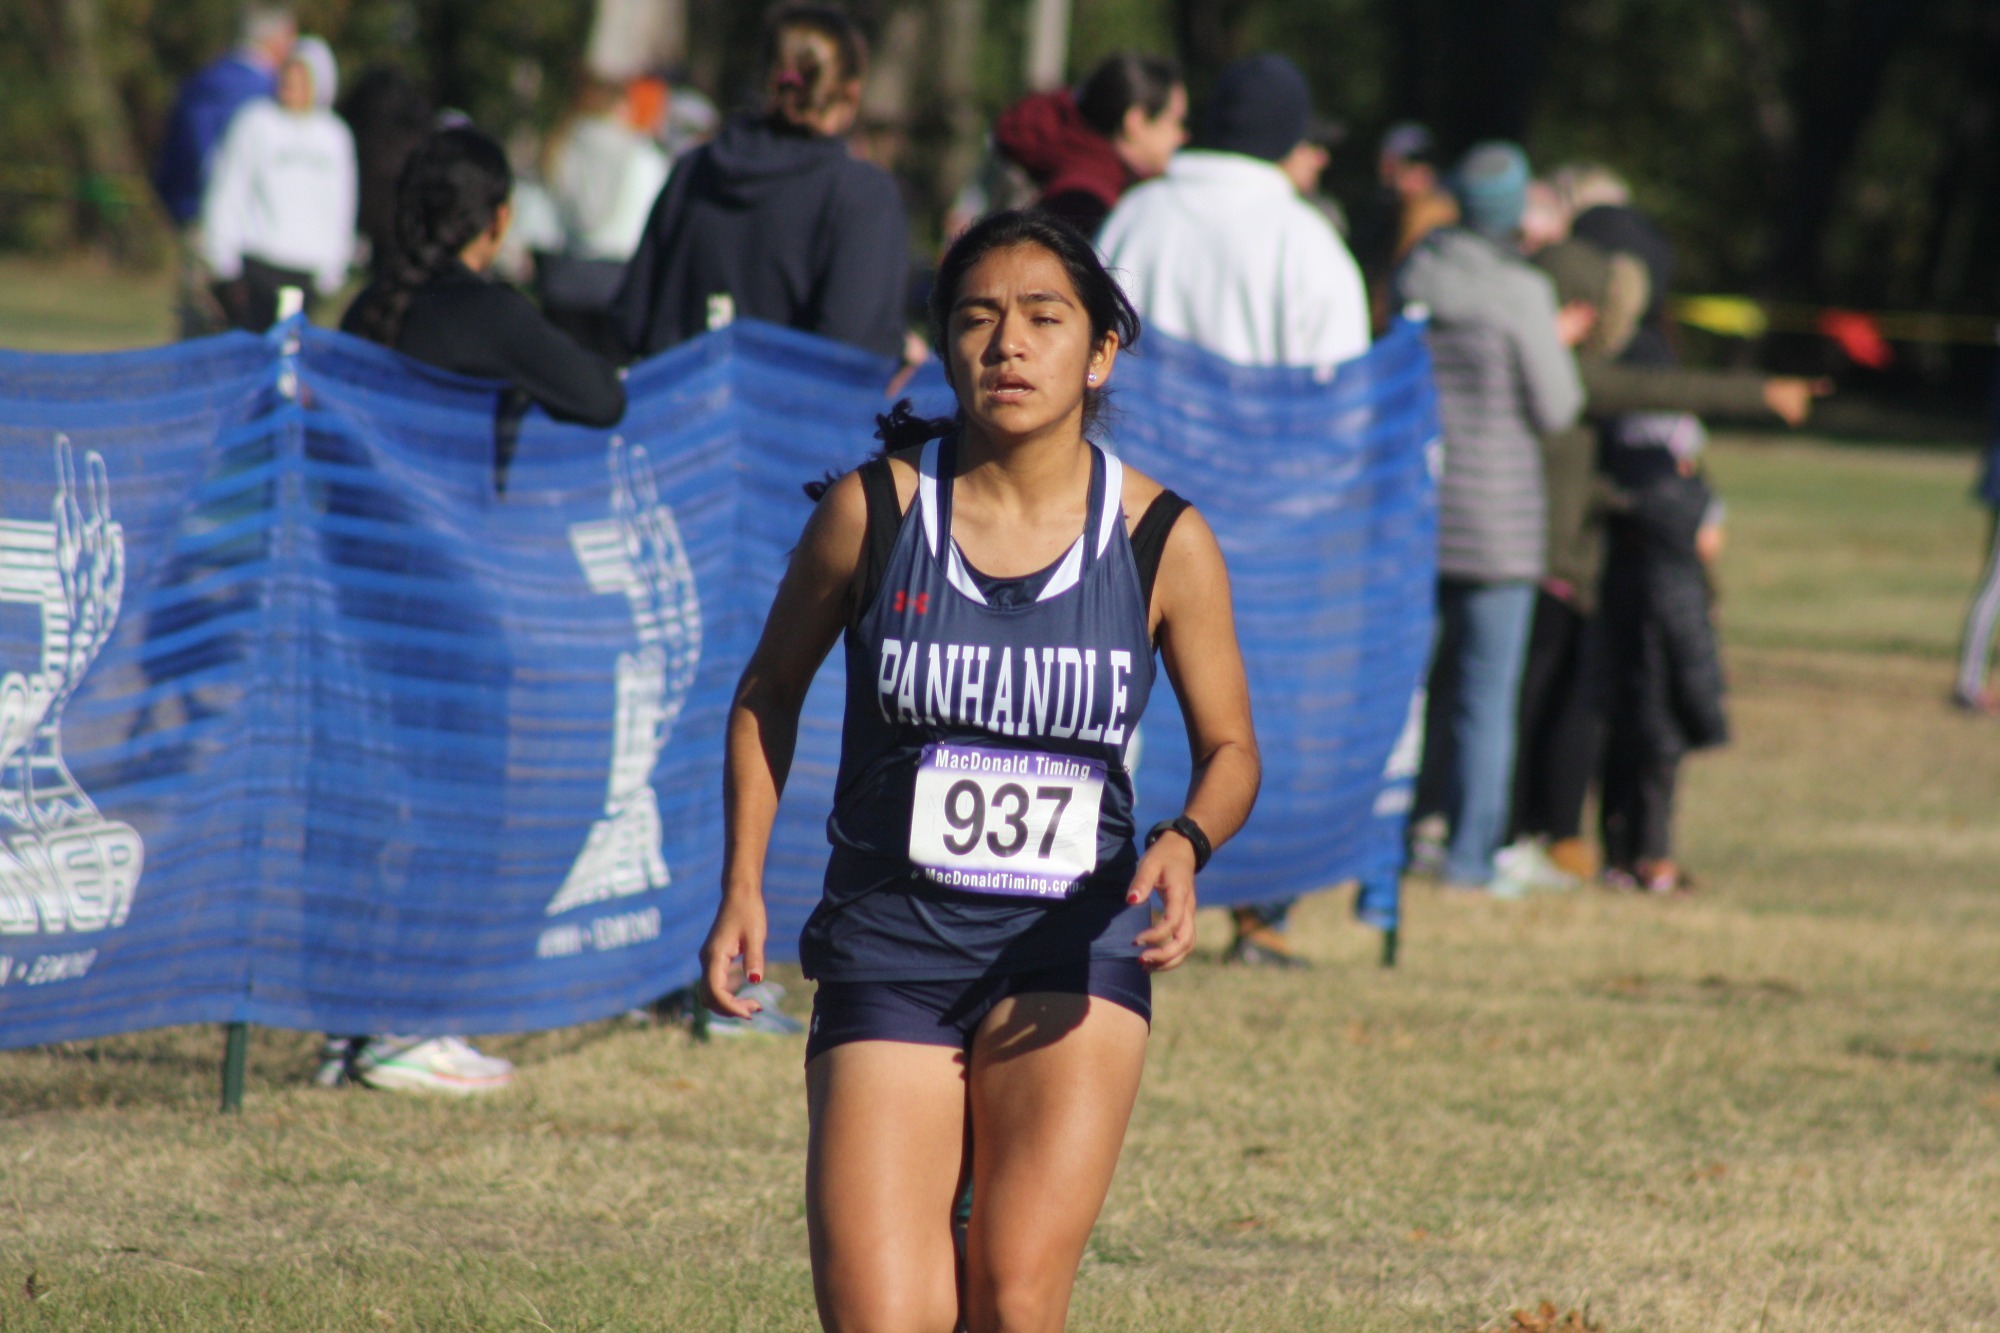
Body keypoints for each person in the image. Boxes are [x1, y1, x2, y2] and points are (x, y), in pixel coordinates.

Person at [697, 209, 1259, 1330]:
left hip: (1067, 945)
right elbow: (765, 694)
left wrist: (1183, 841)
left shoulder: (1160, 537)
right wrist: (742, 887)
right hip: (889, 942)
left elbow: (1230, 751)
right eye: (977, 319)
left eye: (1043, 318)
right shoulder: (874, 512)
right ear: (945, 346)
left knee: (1010, 1295)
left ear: (1099, 350)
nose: (1008, 344)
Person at [321, 126, 624, 1093]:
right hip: (448, 601)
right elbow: (601, 398)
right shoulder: (487, 313)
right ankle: (412, 1026)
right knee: (465, 808)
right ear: (496, 220)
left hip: (351, 592)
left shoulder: (365, 309)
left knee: (374, 813)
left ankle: (352, 1027)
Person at [1098, 53, 1360, 965]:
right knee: (1249, 720)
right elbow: (1344, 409)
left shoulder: (1139, 214)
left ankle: (1102, 886)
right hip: (1264, 530)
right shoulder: (1306, 240)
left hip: (1124, 515)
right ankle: (1258, 914)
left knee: (1109, 705)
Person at [1397, 141, 1585, 895]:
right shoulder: (1521, 291)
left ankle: (1401, 835)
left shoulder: (1420, 270)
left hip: (1421, 510)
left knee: (1412, 693)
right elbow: (1560, 405)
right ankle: (1473, 856)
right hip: (1502, 522)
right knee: (1486, 697)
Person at [610, 3, 910, 363]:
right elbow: (853, 351)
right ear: (852, 92)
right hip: (787, 413)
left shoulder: (695, 169)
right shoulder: (862, 196)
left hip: (679, 407)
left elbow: (631, 319)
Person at [1097, 53, 1368, 371]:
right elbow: (1341, 397)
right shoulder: (1308, 239)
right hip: (1261, 421)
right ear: (1285, 139)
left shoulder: (1134, 214)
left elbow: (1089, 345)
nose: (1320, 158)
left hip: (1129, 421)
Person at [152, 4, 297, 337]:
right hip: (255, 239)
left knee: (197, 330)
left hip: (196, 224)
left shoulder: (200, 83)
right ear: (279, 39)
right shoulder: (272, 95)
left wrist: (184, 212)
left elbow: (169, 161)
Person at [200, 37, 357, 333]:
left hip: (308, 274)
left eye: (301, 78)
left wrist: (334, 269)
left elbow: (343, 205)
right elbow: (228, 190)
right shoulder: (254, 122)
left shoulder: (335, 137)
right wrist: (223, 261)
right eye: (288, 75)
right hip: (258, 267)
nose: (291, 84)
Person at [991, 51, 1187, 237]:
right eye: (1175, 121)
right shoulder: (1083, 204)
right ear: (1135, 123)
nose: (1182, 136)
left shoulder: (1091, 182)